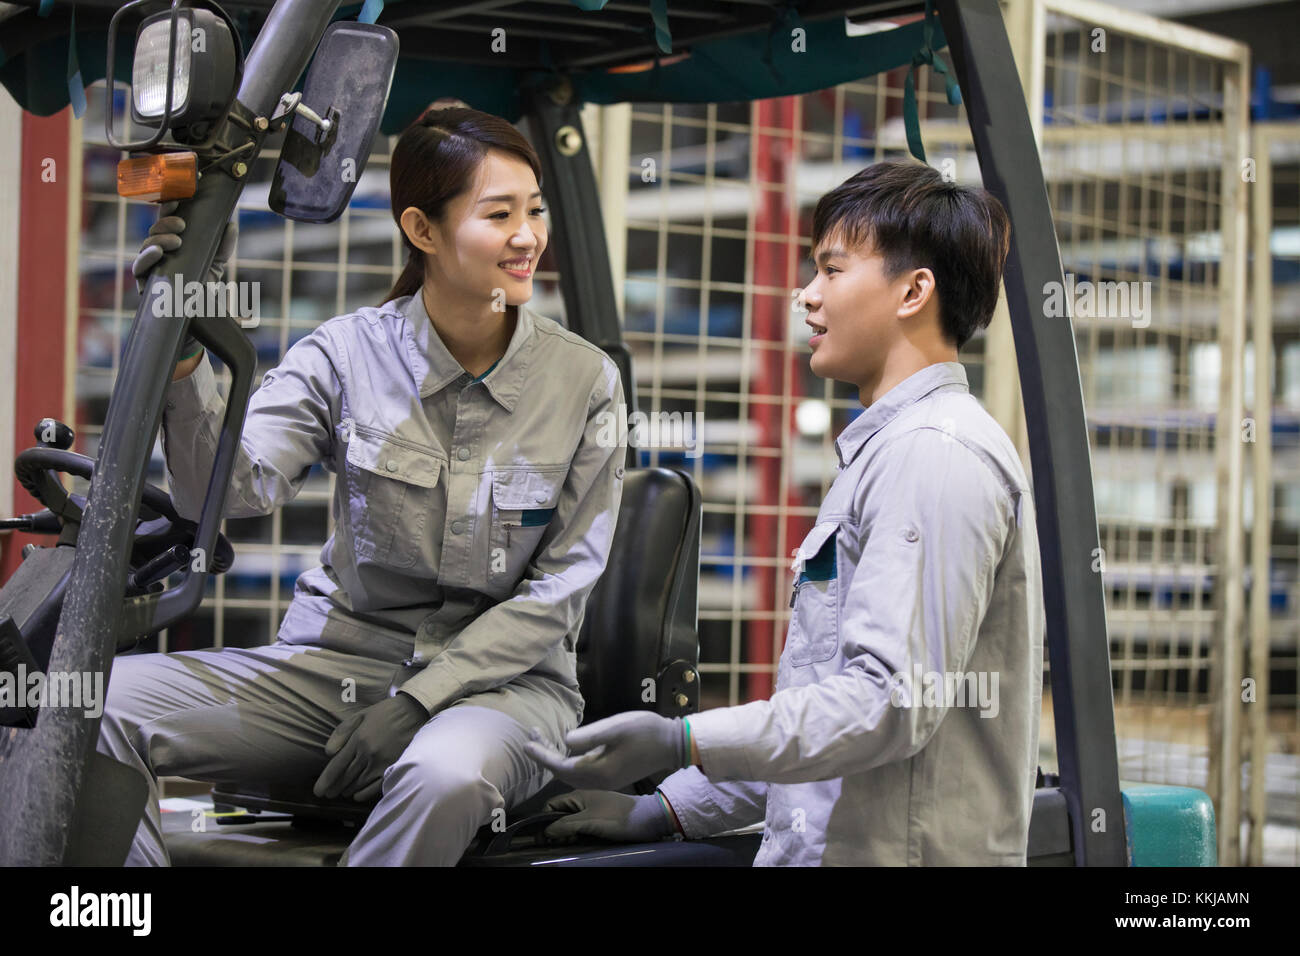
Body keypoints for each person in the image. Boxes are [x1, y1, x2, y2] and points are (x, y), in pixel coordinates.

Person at [96, 106, 626, 866]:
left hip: (502, 690)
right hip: (332, 675)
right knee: (91, 709)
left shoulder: (585, 382)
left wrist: (419, 700)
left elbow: (560, 590)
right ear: (422, 229)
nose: (527, 236)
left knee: (442, 775)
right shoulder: (345, 355)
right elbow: (231, 489)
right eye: (499, 213)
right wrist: (186, 356)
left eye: (533, 210)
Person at [526, 161, 1045, 866]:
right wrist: (668, 808)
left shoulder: (934, 457)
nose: (806, 295)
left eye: (832, 271)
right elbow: (824, 729)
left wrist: (686, 740)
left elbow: (884, 707)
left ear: (913, 290)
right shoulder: (884, 451)